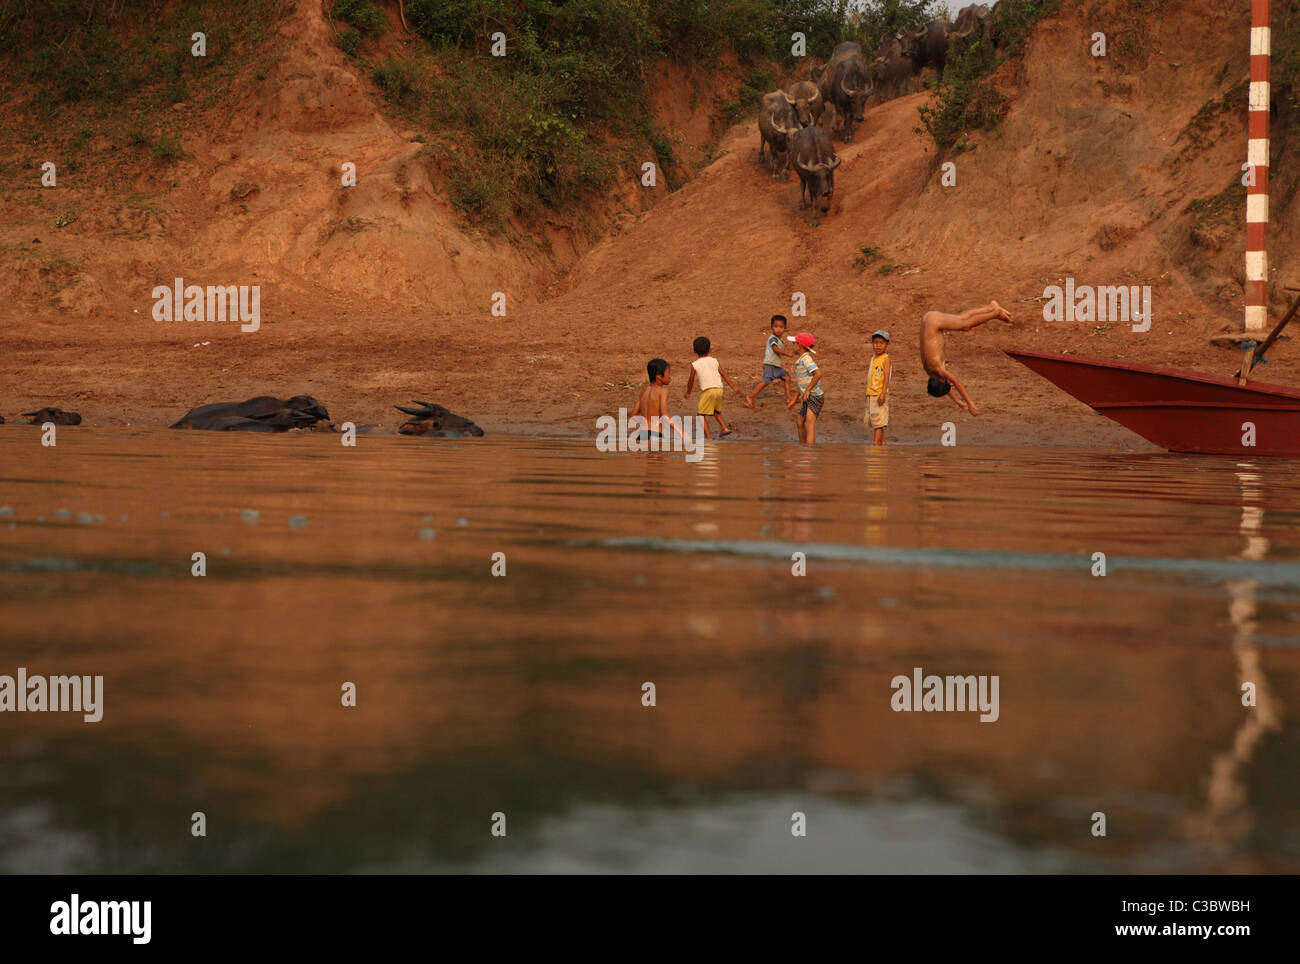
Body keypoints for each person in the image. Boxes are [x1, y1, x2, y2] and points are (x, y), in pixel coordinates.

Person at [920, 301, 1011, 416]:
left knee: (966, 326)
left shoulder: (938, 369)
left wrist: (970, 403)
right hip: (928, 318)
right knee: (962, 318)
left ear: (941, 379)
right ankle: (991, 307)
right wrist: (958, 402)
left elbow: (956, 382)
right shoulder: (930, 371)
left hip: (934, 323)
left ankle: (995, 313)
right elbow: (946, 386)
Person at [685, 336, 743, 439]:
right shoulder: (714, 361)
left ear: (694, 350)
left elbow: (691, 380)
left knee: (700, 415)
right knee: (716, 412)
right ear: (710, 349)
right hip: (719, 389)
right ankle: (724, 428)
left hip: (708, 391)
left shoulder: (695, 364)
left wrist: (688, 392)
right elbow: (724, 374)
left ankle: (708, 437)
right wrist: (733, 387)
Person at [742, 314, 795, 408]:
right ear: (771, 327)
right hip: (770, 364)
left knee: (787, 377)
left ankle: (788, 398)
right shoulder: (773, 338)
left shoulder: (779, 340)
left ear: (785, 328)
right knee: (766, 381)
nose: (779, 329)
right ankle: (750, 397)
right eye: (776, 326)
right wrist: (788, 354)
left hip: (776, 365)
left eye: (781, 327)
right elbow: (776, 349)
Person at [630, 358, 681, 443]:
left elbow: (634, 415)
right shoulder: (663, 391)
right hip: (656, 435)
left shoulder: (644, 391)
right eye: (668, 373)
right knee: (660, 456)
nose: (669, 376)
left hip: (642, 434)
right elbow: (665, 415)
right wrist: (681, 433)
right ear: (659, 376)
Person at [786, 331, 823, 444]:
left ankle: (809, 452)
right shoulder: (801, 360)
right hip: (808, 397)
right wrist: (793, 400)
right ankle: (803, 447)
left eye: (794, 343)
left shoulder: (806, 359)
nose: (793, 345)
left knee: (809, 423)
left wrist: (808, 390)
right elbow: (802, 384)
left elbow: (818, 374)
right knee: (799, 422)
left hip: (815, 396)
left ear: (800, 346)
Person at [865, 329, 891, 445]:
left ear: (887, 344)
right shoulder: (874, 358)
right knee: (877, 422)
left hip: (879, 393)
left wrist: (883, 393)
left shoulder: (886, 359)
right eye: (876, 342)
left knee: (878, 422)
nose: (878, 345)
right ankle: (883, 444)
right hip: (871, 393)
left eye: (881, 343)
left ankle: (875, 445)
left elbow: (886, 377)